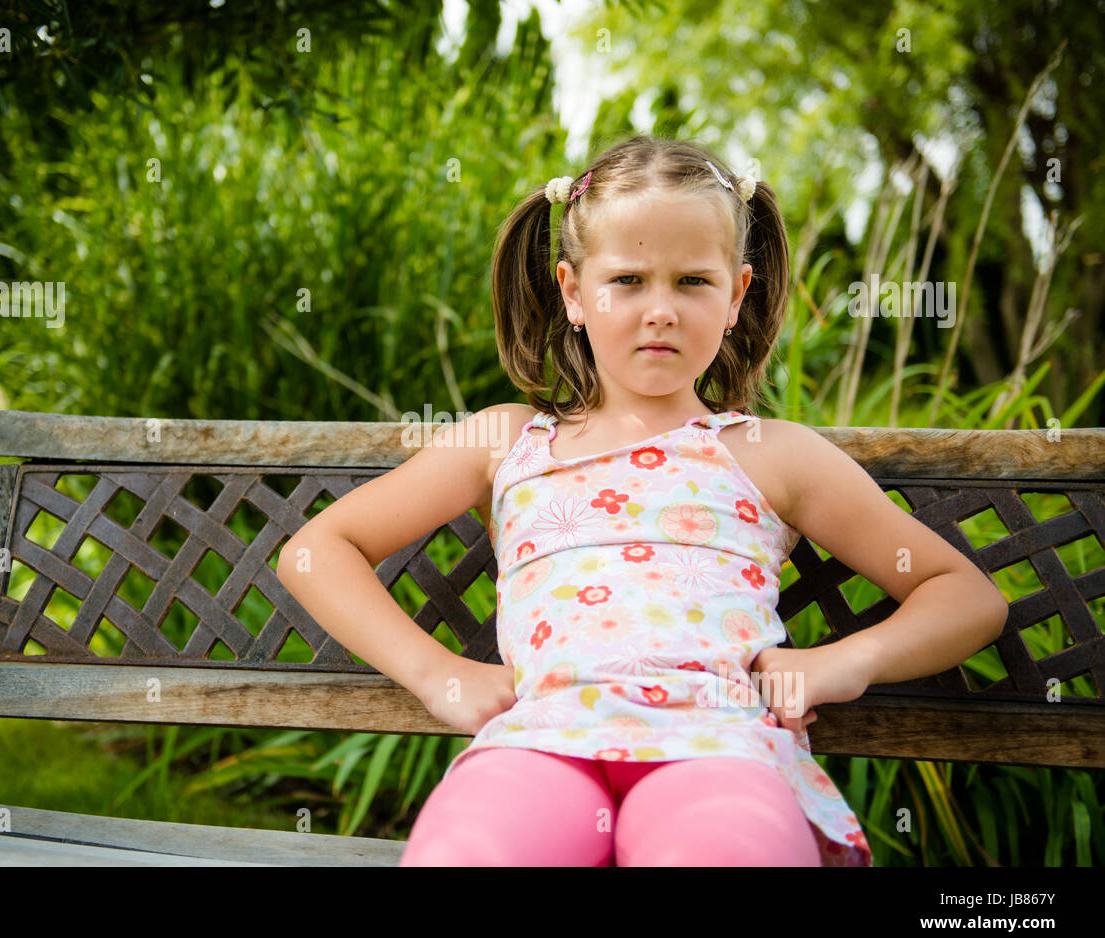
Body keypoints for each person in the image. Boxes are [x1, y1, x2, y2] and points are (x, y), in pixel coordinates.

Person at [276, 135, 1009, 867]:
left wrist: (850, 659)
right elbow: (315, 552)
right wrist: (439, 674)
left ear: (736, 296)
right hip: (543, 740)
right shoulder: (508, 442)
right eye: (627, 280)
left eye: (693, 281)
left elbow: (965, 595)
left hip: (715, 747)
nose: (661, 309)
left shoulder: (771, 453)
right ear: (573, 291)